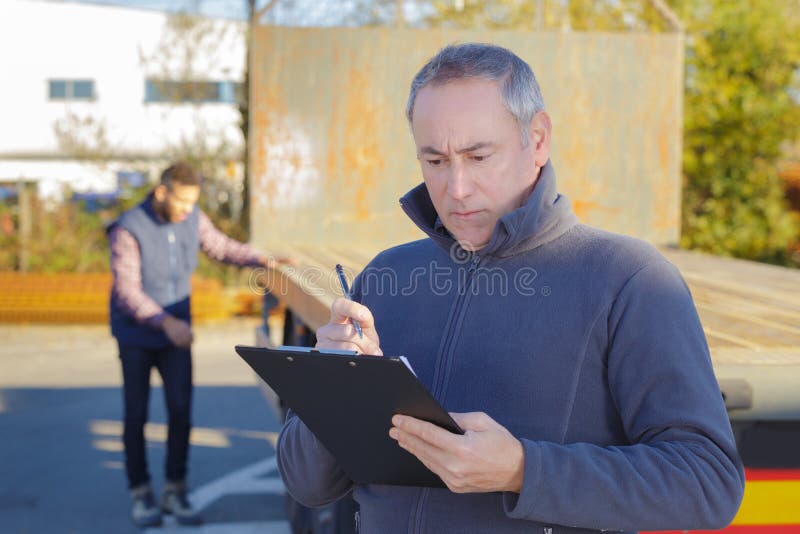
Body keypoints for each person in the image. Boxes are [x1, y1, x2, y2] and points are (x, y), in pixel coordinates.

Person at [276, 43, 745, 533]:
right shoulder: (386, 277)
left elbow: (707, 483)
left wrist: (524, 470)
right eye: (435, 161)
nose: (456, 188)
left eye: (478, 156)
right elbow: (307, 485)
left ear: (537, 139)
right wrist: (336, 382)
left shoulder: (629, 280)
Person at [108, 162, 286, 527]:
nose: (188, 210)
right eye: (183, 203)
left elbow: (220, 246)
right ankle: (141, 493)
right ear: (162, 192)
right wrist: (165, 321)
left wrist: (262, 259)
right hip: (138, 336)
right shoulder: (129, 229)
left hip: (176, 334)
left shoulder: (192, 218)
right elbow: (127, 290)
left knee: (180, 411)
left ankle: (176, 489)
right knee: (136, 414)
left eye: (193, 203)